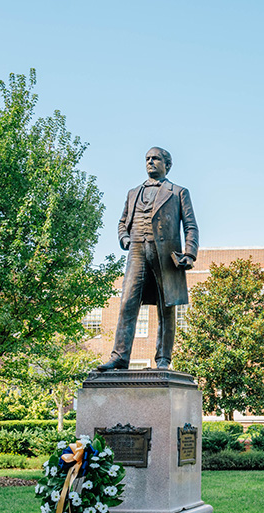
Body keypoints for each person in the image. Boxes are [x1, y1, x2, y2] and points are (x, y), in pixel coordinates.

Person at [96, 147, 199, 371]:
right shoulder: (133, 193)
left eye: (156, 159)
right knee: (127, 303)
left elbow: (190, 226)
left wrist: (189, 254)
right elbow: (123, 222)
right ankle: (120, 356)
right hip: (137, 252)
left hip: (166, 255)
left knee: (166, 306)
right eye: (147, 159)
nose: (150, 162)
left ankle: (163, 359)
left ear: (167, 165)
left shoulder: (178, 192)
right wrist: (124, 237)